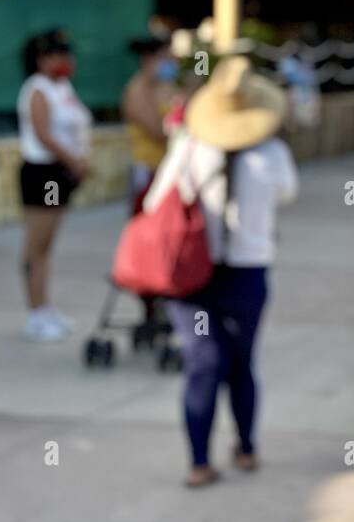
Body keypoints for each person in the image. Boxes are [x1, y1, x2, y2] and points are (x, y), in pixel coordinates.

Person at [156, 55, 298, 488]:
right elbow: (287, 195)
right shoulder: (270, 153)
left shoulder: (189, 146)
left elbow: (152, 205)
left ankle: (225, 452)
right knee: (226, 361)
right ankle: (223, 453)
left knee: (214, 362)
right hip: (235, 275)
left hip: (199, 276)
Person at [17, 30, 92, 343]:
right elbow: (43, 133)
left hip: (60, 173)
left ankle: (45, 308)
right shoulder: (37, 88)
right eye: (55, 55)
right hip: (42, 172)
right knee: (36, 246)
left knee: (47, 247)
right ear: (41, 59)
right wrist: (73, 160)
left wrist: (80, 160)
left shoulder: (62, 87)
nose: (63, 61)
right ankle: (35, 313)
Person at [121, 30, 180, 207]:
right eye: (166, 57)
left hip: (166, 169)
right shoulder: (137, 91)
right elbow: (158, 132)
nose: (172, 62)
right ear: (148, 59)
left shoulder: (165, 87)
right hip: (147, 170)